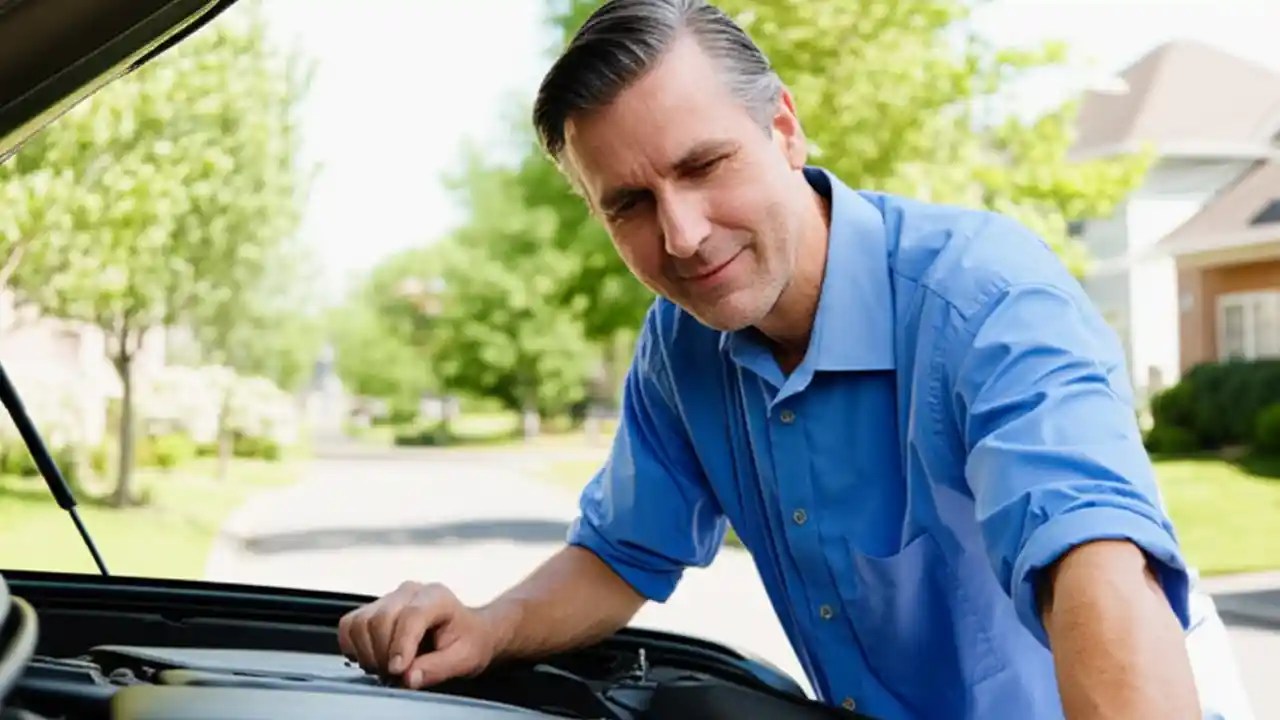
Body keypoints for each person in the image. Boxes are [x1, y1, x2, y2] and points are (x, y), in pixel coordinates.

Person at [338, 1, 1254, 717]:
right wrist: (489, 627)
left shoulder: (986, 296)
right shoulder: (680, 345)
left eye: (704, 165)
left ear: (783, 129)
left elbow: (1092, 562)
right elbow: (620, 555)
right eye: (629, 203)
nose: (684, 235)